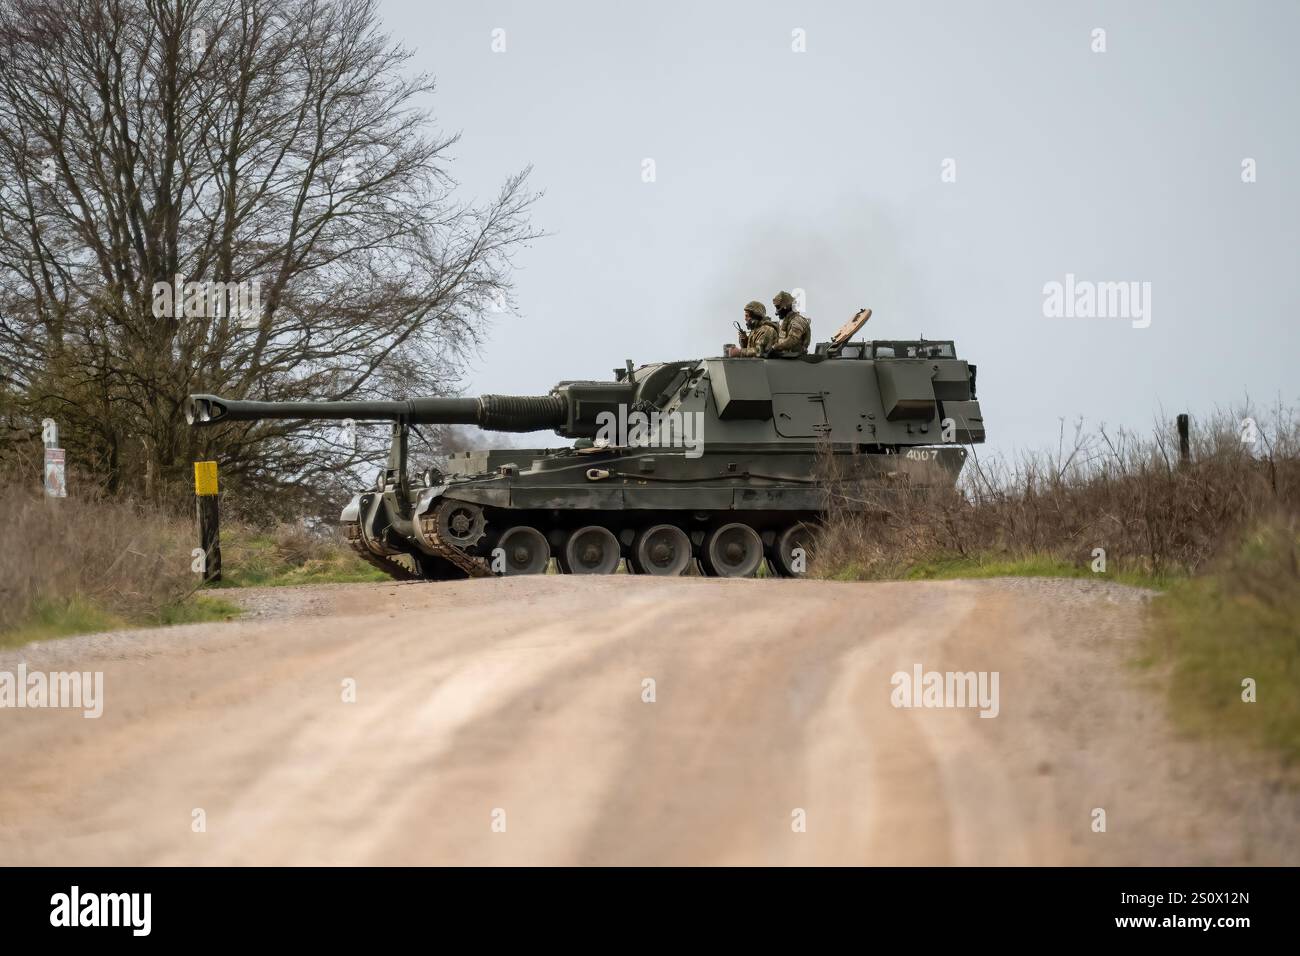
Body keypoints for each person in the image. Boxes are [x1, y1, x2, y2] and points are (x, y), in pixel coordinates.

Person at [768, 290, 811, 356]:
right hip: (787, 358)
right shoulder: (786, 322)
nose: (776, 312)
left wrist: (774, 348)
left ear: (786, 307)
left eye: (778, 308)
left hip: (796, 360)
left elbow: (792, 340)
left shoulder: (797, 320)